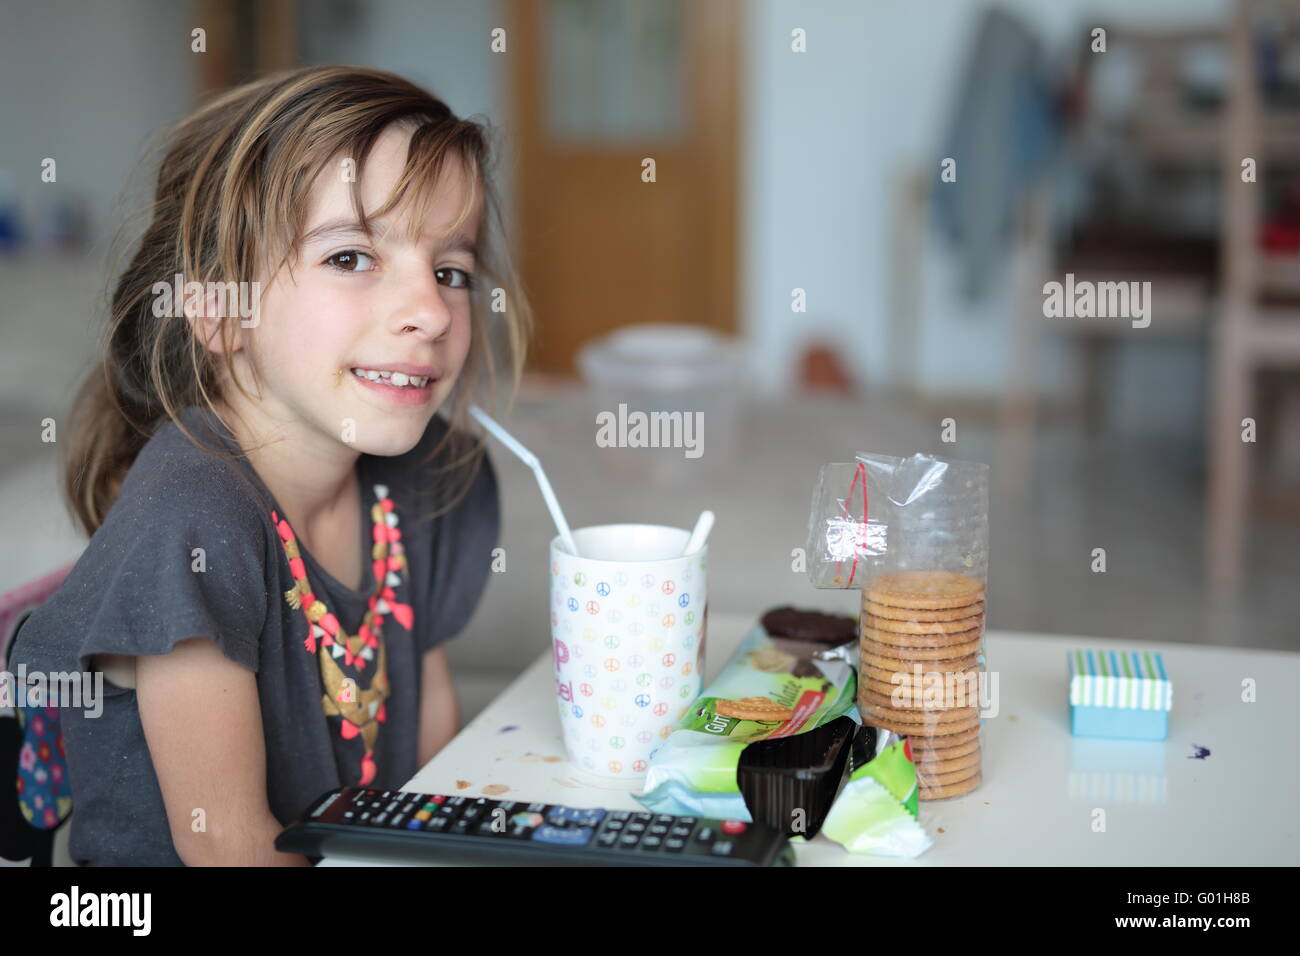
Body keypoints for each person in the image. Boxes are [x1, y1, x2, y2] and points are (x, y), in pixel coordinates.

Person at [9, 65, 531, 865]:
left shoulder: (431, 478)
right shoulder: (193, 518)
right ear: (218, 309)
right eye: (352, 257)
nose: (430, 311)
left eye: (451, 270)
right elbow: (233, 849)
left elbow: (433, 778)